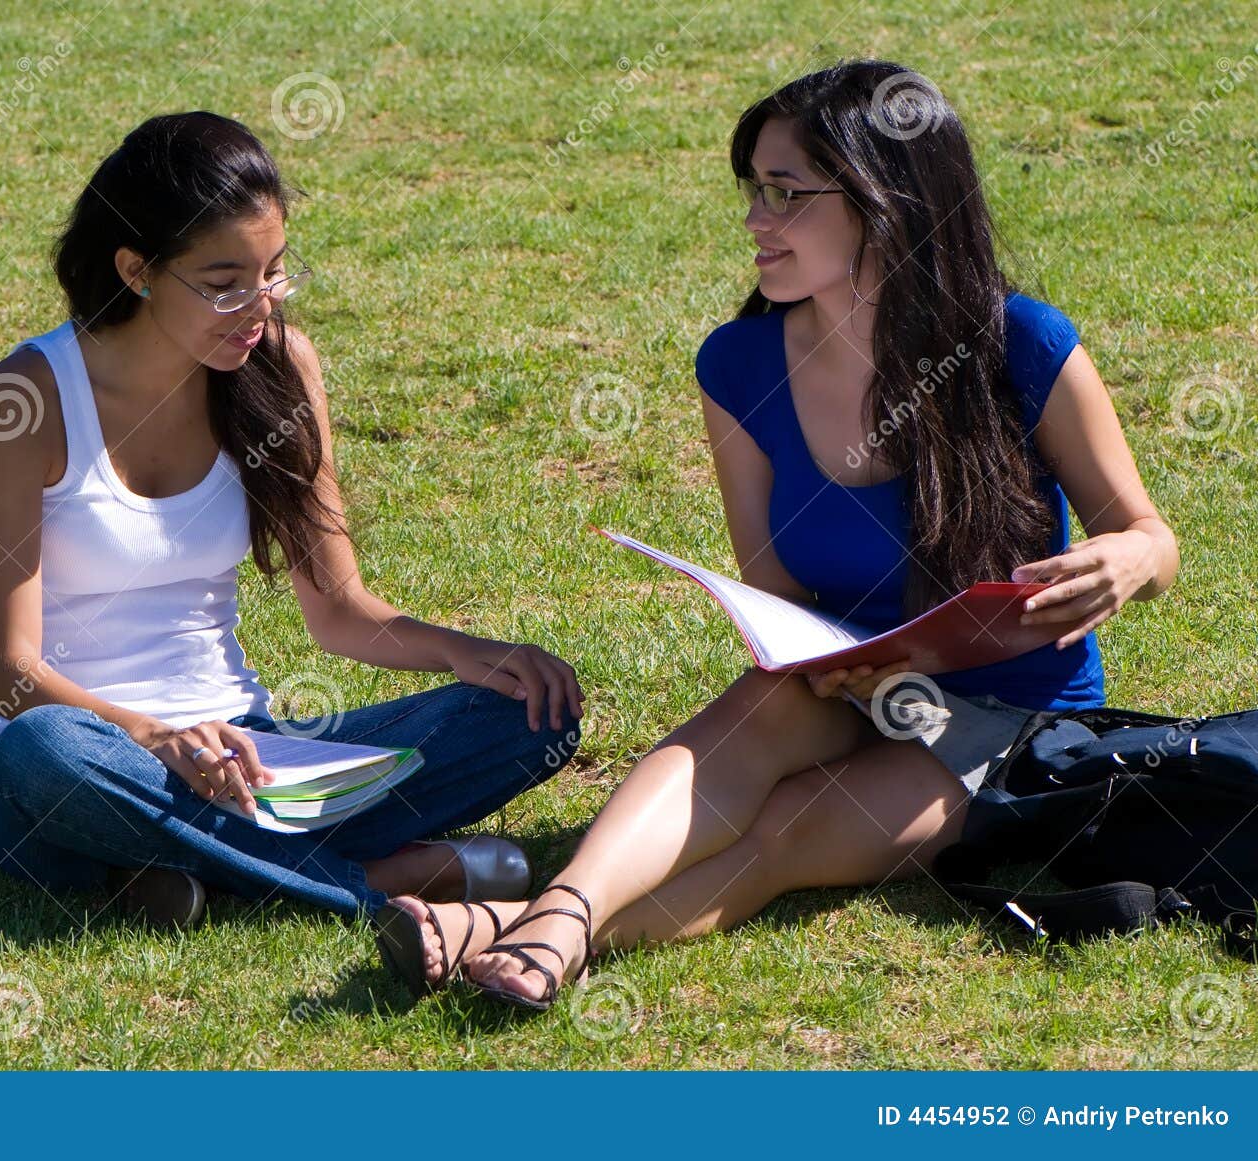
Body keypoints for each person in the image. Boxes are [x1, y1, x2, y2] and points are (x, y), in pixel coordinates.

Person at [372, 60, 1179, 1008]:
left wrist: (1124, 560)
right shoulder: (740, 364)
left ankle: (521, 926)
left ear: (887, 202)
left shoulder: (1022, 345)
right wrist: (825, 663)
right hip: (843, 682)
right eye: (754, 189)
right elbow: (774, 591)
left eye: (786, 193)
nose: (757, 218)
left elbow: (1149, 535)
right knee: (742, 727)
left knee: (789, 831)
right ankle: (569, 907)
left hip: (1013, 723)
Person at [0, 112, 583, 930]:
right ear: (137, 269)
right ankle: (368, 882)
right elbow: (8, 673)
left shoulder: (281, 366)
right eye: (225, 282)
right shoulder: (30, 396)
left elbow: (339, 610)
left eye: (274, 273)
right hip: (98, 754)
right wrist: (157, 739)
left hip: (251, 754)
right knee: (40, 753)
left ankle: (177, 873)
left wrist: (470, 653)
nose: (258, 306)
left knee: (530, 712)